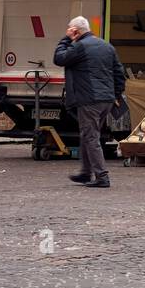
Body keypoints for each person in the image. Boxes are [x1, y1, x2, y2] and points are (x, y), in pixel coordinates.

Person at [54, 16, 126, 188]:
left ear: (76, 32)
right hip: (106, 100)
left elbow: (59, 58)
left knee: (91, 137)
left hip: (89, 99)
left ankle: (102, 177)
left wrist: (66, 39)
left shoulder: (79, 46)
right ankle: (86, 173)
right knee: (88, 134)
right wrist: (115, 94)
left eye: (70, 30)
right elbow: (119, 73)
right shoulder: (106, 46)